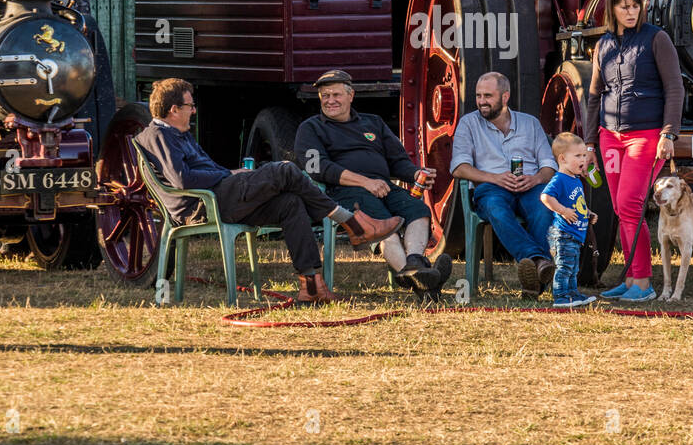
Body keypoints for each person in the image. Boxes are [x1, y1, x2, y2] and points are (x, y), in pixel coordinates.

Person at [135, 78, 403, 304]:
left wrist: (233, 173)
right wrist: (228, 174)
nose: (194, 111)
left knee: (290, 203)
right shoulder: (159, 136)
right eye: (190, 106)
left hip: (222, 194)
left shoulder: (179, 133)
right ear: (173, 109)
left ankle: (312, 287)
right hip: (204, 205)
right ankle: (352, 223)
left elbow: (204, 171)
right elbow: (182, 180)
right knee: (285, 169)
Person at [294, 69, 452, 302]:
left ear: (351, 95)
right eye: (325, 96)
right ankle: (425, 285)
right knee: (380, 222)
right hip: (343, 191)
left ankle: (416, 263)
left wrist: (416, 173)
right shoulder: (311, 128)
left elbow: (398, 161)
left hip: (383, 186)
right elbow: (318, 167)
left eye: (336, 94)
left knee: (418, 210)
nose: (330, 100)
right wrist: (365, 182)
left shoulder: (373, 123)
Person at [584, 0, 685, 303]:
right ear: (611, 9)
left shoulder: (657, 39)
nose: (630, 11)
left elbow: (674, 88)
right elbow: (594, 96)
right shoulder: (603, 45)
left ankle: (643, 283)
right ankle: (630, 278)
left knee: (630, 204)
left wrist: (668, 133)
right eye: (624, 6)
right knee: (620, 208)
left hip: (646, 135)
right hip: (609, 137)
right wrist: (589, 143)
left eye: (635, 5)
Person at [450, 72, 558, 297]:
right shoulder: (468, 123)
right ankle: (538, 261)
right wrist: (494, 177)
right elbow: (459, 167)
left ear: (505, 97)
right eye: (478, 95)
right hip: (491, 187)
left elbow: (549, 166)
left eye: (488, 96)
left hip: (530, 184)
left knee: (544, 205)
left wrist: (536, 179)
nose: (481, 101)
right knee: (496, 209)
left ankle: (534, 283)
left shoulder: (530, 123)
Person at [539, 133, 599, 308]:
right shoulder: (559, 180)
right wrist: (563, 211)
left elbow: (578, 203)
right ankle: (560, 296)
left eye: (584, 155)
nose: (583, 159)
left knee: (573, 268)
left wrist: (588, 213)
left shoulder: (576, 180)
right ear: (563, 159)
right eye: (578, 156)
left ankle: (572, 293)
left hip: (575, 234)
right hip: (563, 234)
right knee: (564, 267)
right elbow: (546, 197)